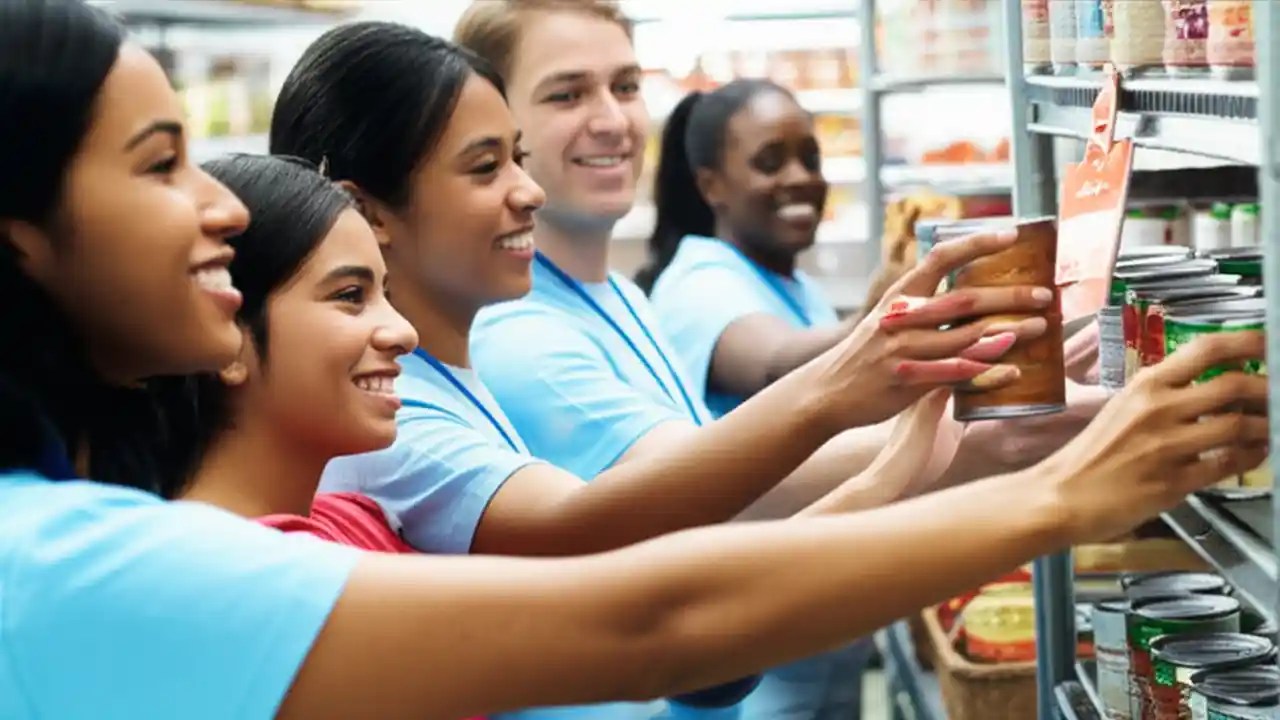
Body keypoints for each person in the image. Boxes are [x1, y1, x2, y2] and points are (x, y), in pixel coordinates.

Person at [0, 3, 1269, 720]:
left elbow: (686, 632)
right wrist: (1057, 492)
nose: (216, 208)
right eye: (158, 165)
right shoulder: (75, 560)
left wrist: (916, 446)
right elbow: (648, 604)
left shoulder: (298, 492)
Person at [274, 22, 1034, 719]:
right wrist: (847, 395)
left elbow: (688, 639)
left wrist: (898, 462)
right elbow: (597, 541)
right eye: (485, 166)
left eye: (626, 86)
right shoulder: (396, 416)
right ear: (368, 213)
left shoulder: (528, 340)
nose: (526, 188)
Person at [456, 0, 1106, 525]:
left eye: (625, 86)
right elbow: (716, 489)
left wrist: (1009, 398)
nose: (613, 120)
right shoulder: (521, 336)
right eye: (566, 95)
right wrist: (982, 430)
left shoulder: (615, 297)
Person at [149, 154, 421, 554]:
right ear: (226, 339)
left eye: (386, 294)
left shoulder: (352, 517)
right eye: (350, 296)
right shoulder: (220, 561)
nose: (405, 333)